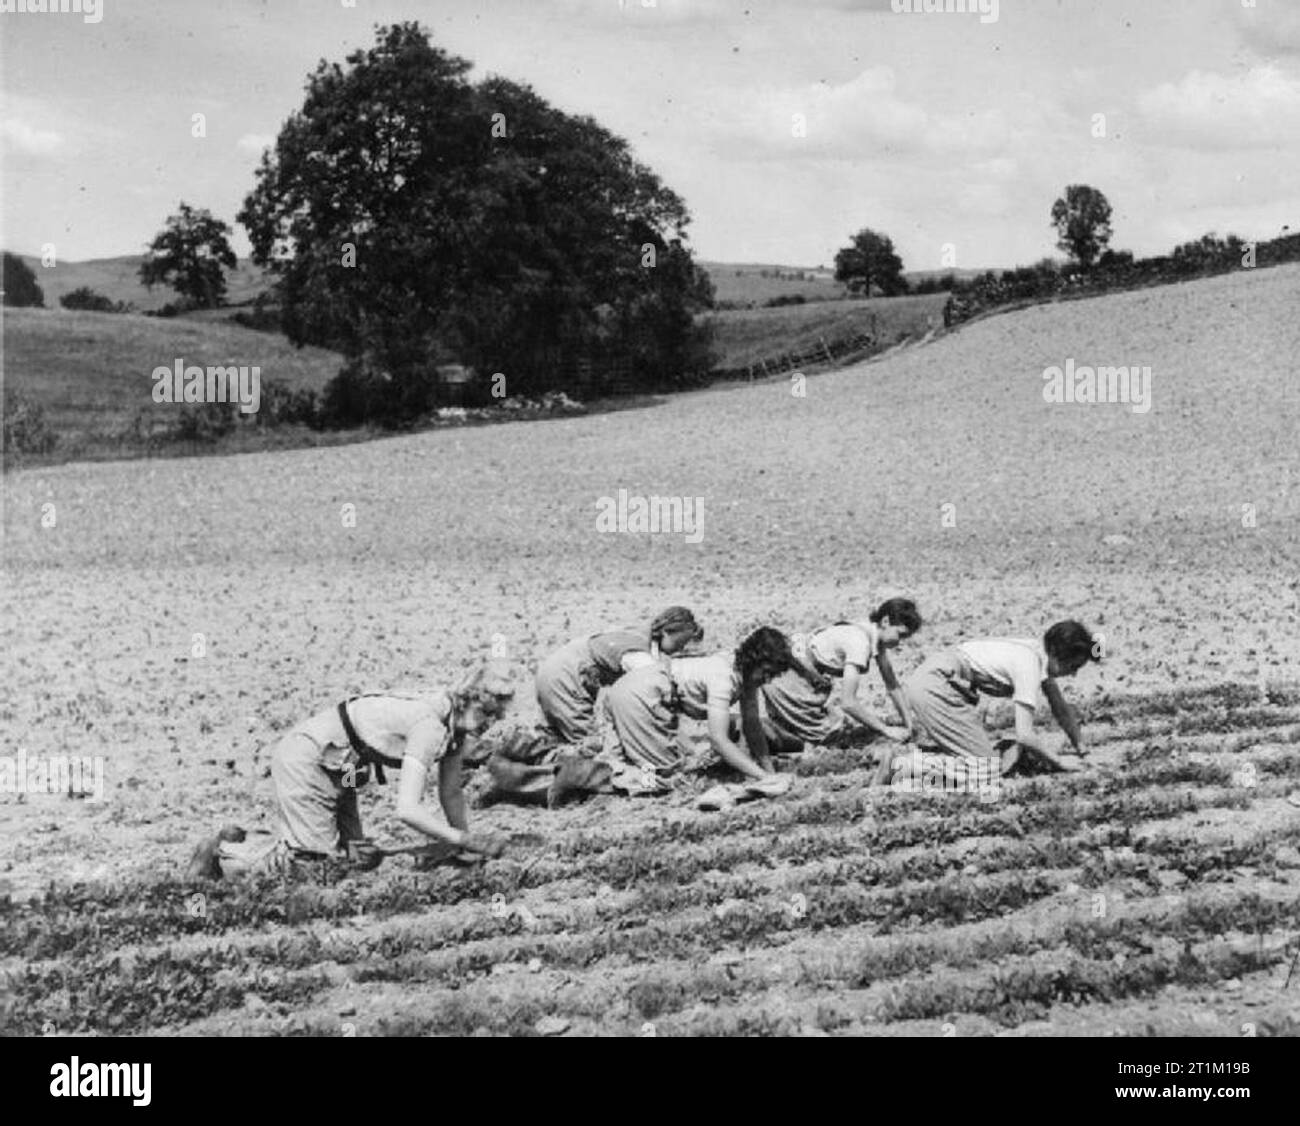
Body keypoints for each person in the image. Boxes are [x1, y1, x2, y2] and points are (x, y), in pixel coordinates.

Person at [186, 662, 516, 879]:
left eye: (496, 718)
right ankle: (222, 856)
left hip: (343, 767)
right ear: (468, 700)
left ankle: (243, 839)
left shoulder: (454, 728)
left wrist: (463, 846)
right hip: (309, 759)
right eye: (486, 713)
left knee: (355, 860)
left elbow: (451, 792)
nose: (489, 724)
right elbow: (407, 810)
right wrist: (465, 838)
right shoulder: (429, 726)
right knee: (313, 870)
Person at [896, 620, 1098, 785]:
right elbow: (1025, 735)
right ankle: (903, 765)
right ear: (1055, 654)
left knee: (983, 757)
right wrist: (1061, 762)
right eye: (1072, 666)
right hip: (937, 684)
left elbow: (1060, 707)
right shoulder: (1029, 665)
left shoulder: (1035, 651)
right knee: (986, 772)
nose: (1073, 673)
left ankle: (910, 757)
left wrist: (1081, 747)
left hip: (933, 679)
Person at [600, 626, 794, 794]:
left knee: (641, 761)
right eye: (767, 672)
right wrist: (762, 777)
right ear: (754, 661)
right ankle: (605, 783)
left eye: (773, 675)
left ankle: (604, 774)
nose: (768, 680)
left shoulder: (745, 674)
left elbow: (752, 726)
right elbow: (719, 740)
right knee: (657, 777)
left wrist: (769, 772)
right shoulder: (723, 677)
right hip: (640, 694)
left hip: (635, 690)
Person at [759, 598, 922, 756]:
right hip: (785, 678)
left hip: (788, 670)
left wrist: (909, 725)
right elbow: (848, 702)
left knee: (822, 728)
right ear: (886, 622)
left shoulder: (867, 632)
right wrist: (885, 730)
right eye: (900, 635)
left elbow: (892, 685)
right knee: (828, 739)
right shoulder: (860, 643)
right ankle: (763, 739)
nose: (899, 642)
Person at [534, 606, 703, 744]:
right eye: (679, 643)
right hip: (566, 678)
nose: (680, 649)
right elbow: (651, 699)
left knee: (557, 739)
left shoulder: (640, 635)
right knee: (589, 744)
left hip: (557, 669)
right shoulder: (639, 658)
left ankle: (534, 767)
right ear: (666, 632)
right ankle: (549, 777)